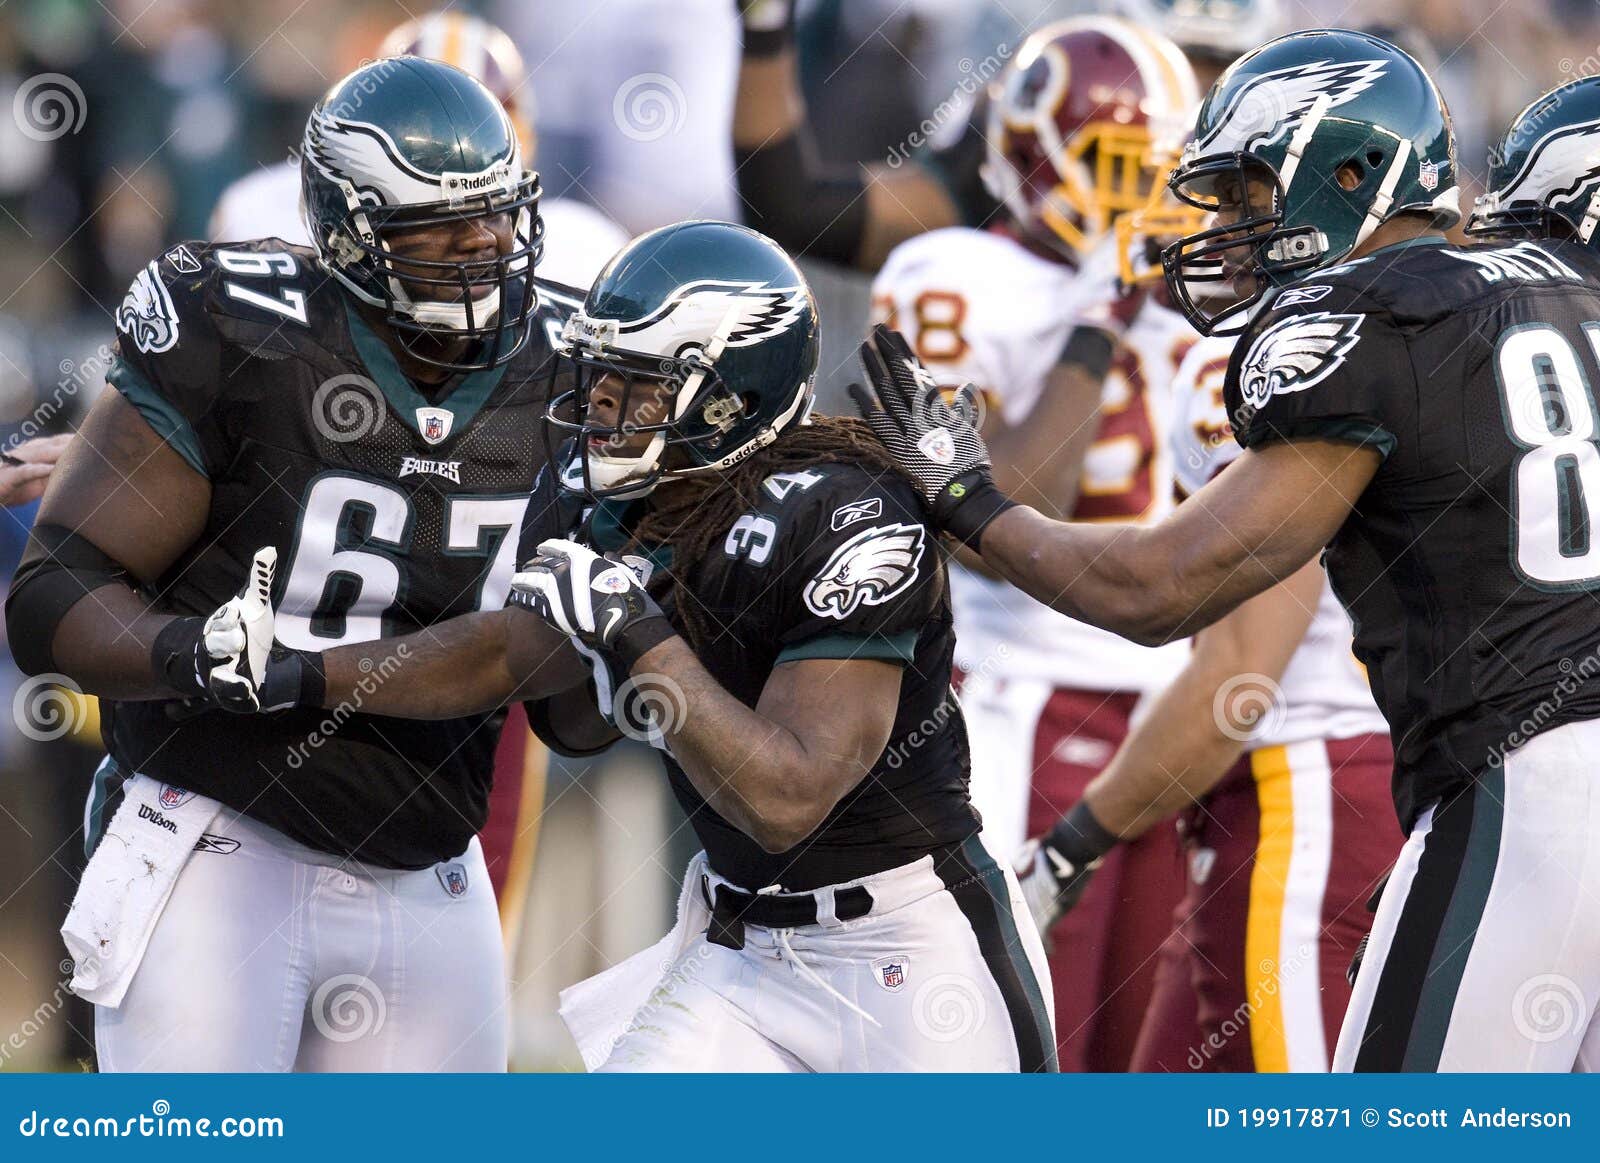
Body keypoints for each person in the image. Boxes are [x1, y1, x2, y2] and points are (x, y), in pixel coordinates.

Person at [854, 29, 1600, 1072]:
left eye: (1251, 194)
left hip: (1527, 793)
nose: (1230, 227)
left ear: (1353, 176)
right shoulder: (1554, 305)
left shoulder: (1377, 316)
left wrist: (969, 497)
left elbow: (1164, 585)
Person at [213, 220, 1058, 1073]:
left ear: (731, 397)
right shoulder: (622, 510)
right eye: (600, 380)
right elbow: (515, 666)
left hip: (907, 956)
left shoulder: (849, 512)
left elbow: (786, 795)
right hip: (742, 948)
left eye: (639, 387)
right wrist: (296, 675)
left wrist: (633, 632)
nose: (602, 410)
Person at [6, 57, 567, 1072]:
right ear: (352, 229)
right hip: (222, 841)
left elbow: (580, 712)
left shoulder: (566, 363)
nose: (482, 244)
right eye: (440, 224)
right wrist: (187, 652)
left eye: (494, 213)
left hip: (427, 861)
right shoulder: (237, 326)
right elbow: (56, 591)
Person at [869, 16, 1200, 1071]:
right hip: (1016, 700)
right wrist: (1102, 313)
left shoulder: (1208, 279)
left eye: (1161, 173)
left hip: (1188, 709)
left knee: (1153, 1051)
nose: (1139, 199)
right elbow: (989, 506)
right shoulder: (954, 273)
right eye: (1114, 166)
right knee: (1010, 1039)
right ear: (1029, 152)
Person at [1014, 326, 1399, 1072]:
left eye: (1243, 200)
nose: (1216, 231)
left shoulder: (1280, 354)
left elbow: (1239, 679)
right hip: (1367, 788)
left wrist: (1068, 848)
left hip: (1308, 807)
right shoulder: (1448, 327)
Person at [730, 0, 1282, 272]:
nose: (1201, 96)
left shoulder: (1298, 153)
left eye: (1227, 68)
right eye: (1180, 62)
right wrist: (765, 24)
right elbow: (792, 209)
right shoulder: (1048, 139)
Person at [209, 10, 628, 291]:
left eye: (476, 125)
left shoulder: (583, 244)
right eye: (425, 122)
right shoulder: (271, 208)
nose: (454, 144)